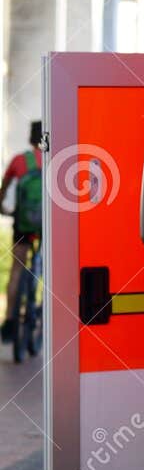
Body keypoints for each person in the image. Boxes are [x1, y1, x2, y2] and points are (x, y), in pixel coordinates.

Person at [1, 120, 43, 344]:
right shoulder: (55, 160)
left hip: (23, 223)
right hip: (46, 226)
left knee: (18, 267)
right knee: (49, 269)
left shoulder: (19, 160)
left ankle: (9, 321)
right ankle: (43, 311)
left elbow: (4, 189)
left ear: (30, 137)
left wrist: (3, 209)